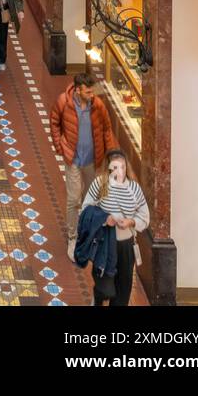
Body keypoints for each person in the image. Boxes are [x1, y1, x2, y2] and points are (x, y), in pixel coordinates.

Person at [50, 72, 119, 256]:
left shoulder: (97, 105)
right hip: (72, 158)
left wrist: (111, 155)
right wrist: (59, 145)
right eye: (88, 92)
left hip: (92, 160)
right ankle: (73, 237)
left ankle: (88, 234)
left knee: (92, 199)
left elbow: (106, 129)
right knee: (74, 200)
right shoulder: (64, 102)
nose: (91, 95)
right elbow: (54, 122)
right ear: (78, 90)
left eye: (92, 91)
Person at [81, 149, 149, 306]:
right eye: (116, 168)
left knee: (123, 289)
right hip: (105, 244)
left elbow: (145, 216)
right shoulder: (99, 185)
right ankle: (98, 298)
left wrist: (131, 222)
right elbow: (85, 210)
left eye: (123, 167)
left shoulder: (134, 189)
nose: (120, 171)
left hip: (126, 246)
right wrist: (105, 219)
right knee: (105, 288)